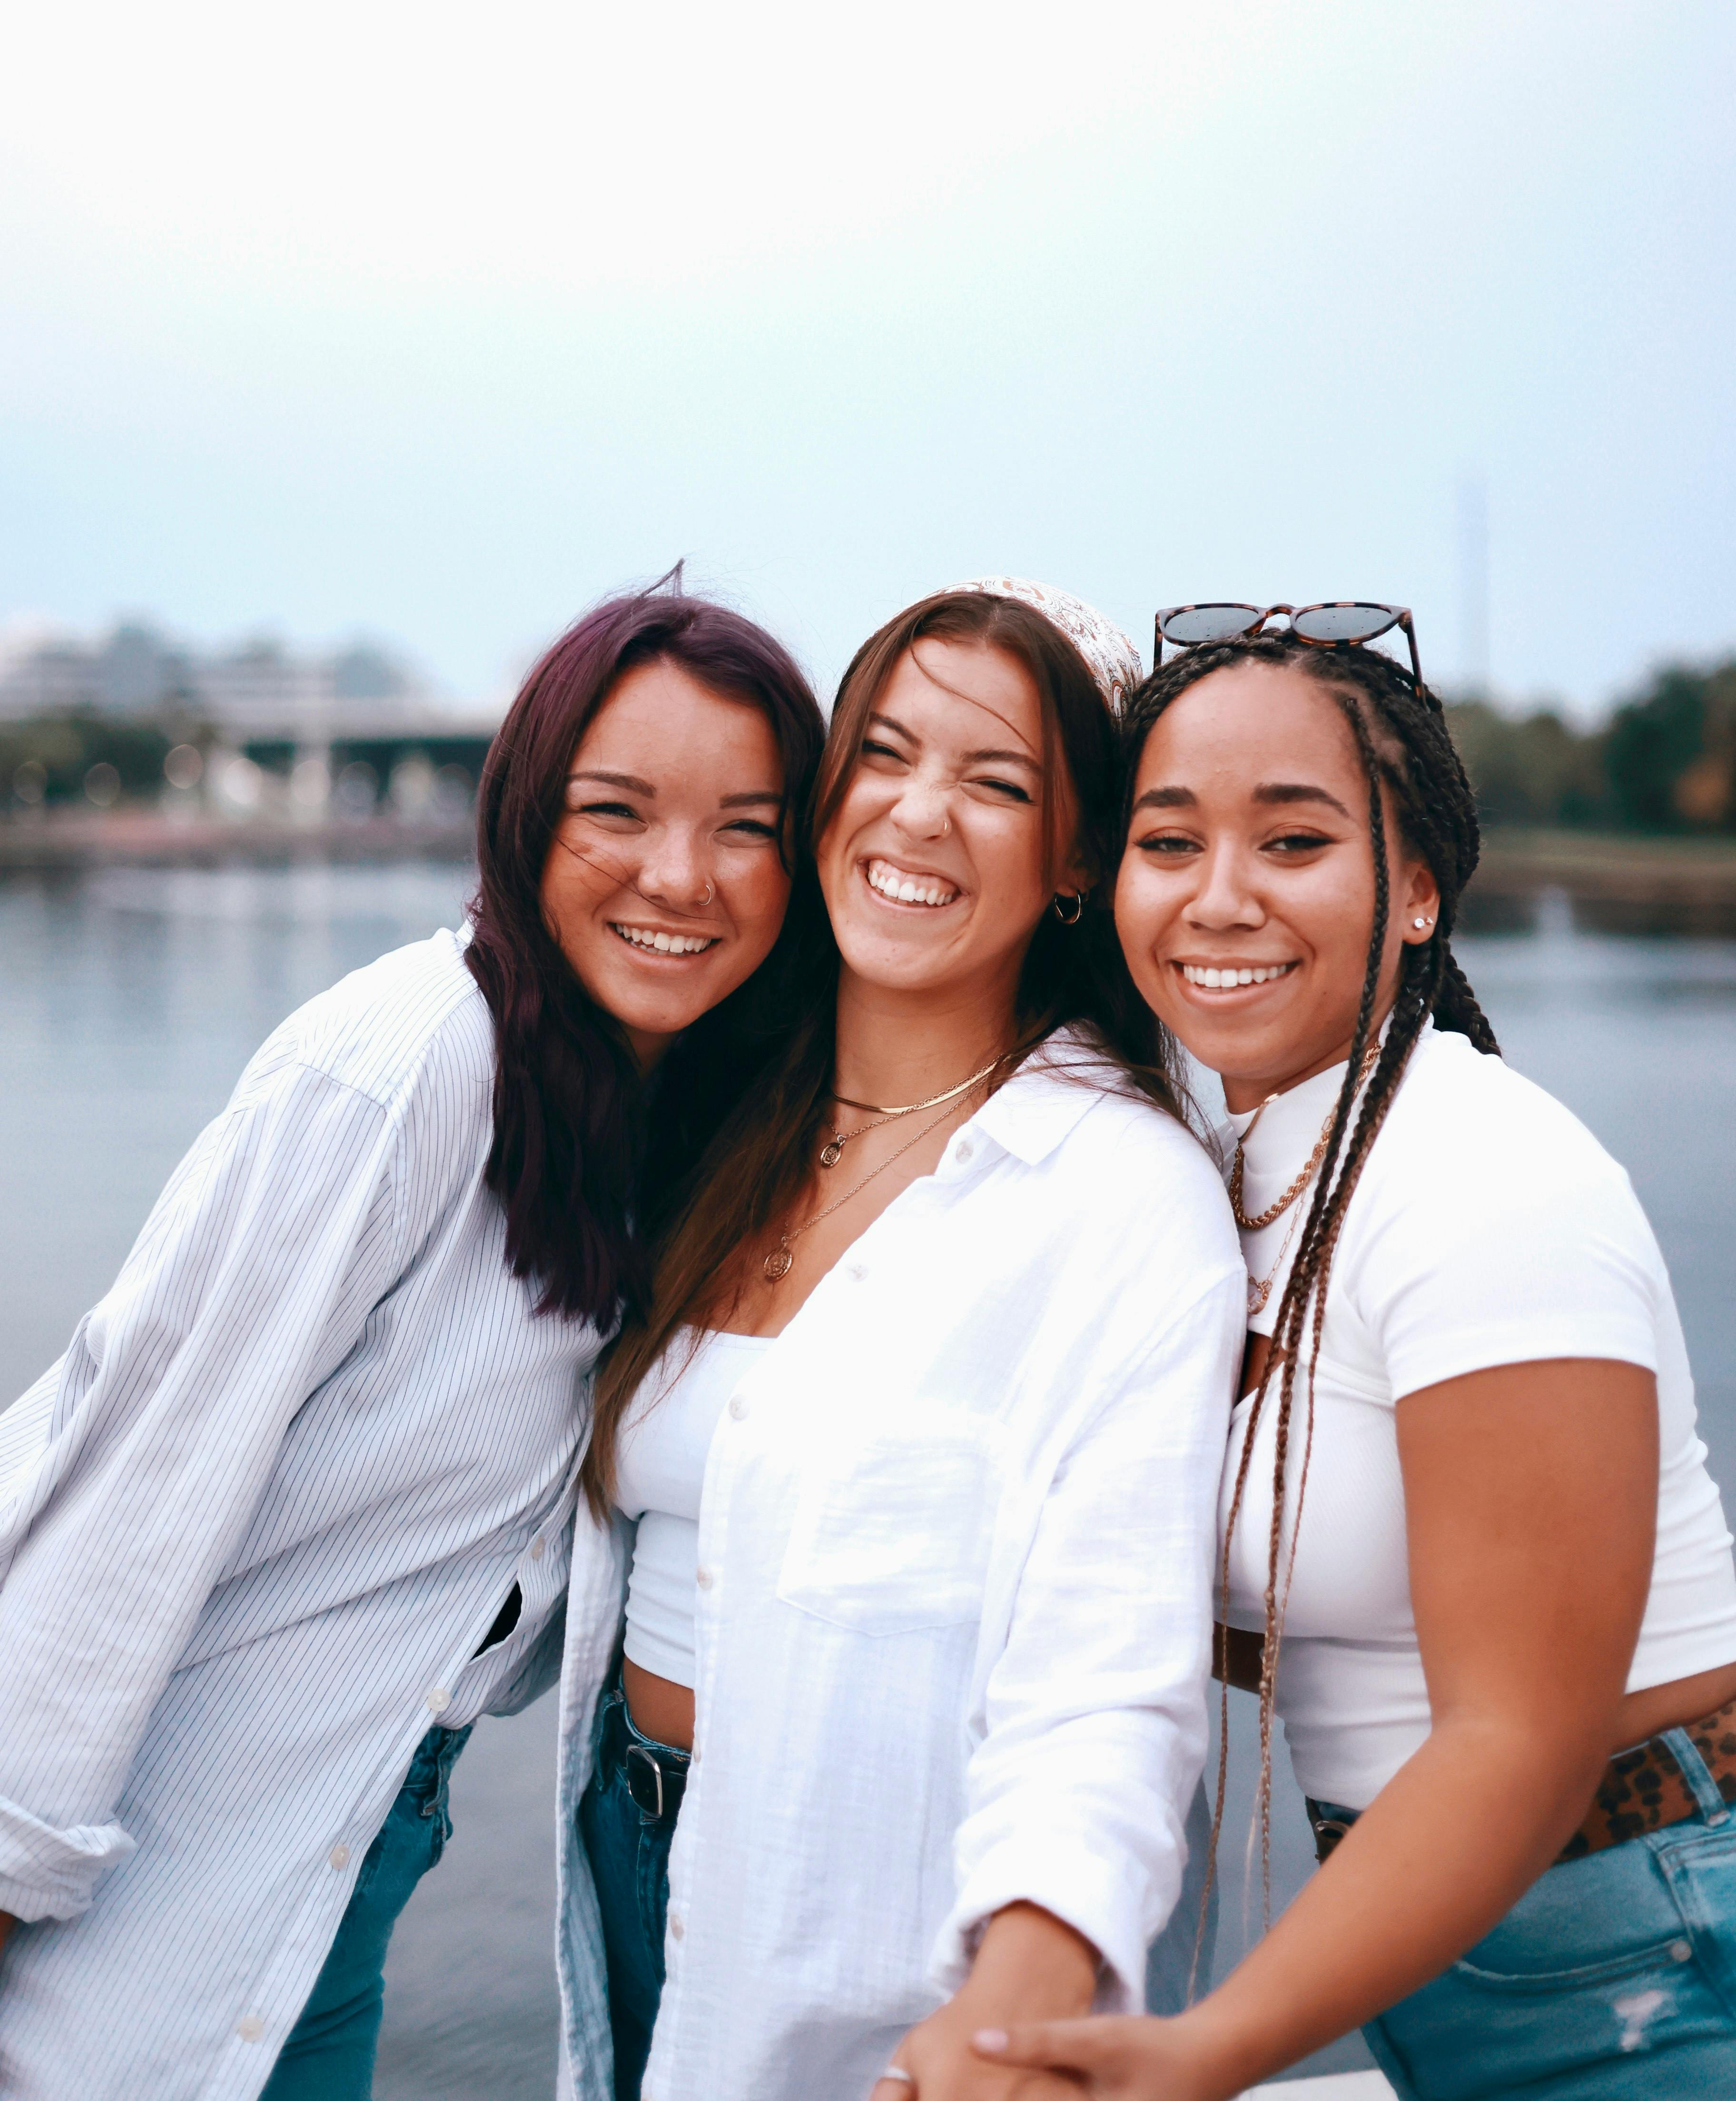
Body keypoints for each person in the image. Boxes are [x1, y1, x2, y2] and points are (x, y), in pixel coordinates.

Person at [0, 582, 823, 2101]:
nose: (680, 876)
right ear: (525, 816)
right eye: (617, 812)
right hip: (129, 1887)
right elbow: (135, 1492)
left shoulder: (656, 1114)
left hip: (339, 1864)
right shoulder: (408, 1064)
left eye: (748, 829)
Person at [971, 606, 1736, 2101]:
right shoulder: (1243, 1169)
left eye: (1295, 842)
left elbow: (1520, 1733)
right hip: (1466, 1934)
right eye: (1168, 842)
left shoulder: (1482, 1177)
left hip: (1645, 1922)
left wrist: (1211, 2046)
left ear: (1418, 893)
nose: (1220, 898)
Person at [552, 579, 1245, 2101]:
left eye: (997, 781)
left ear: (1077, 855)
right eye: (884, 753)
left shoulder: (1118, 1195)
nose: (918, 813)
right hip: (629, 1851)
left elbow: (1110, 1669)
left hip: (886, 1938)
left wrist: (1020, 1993)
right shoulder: (723, 1119)